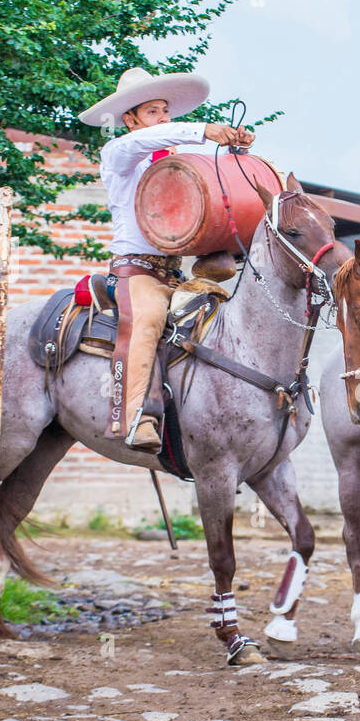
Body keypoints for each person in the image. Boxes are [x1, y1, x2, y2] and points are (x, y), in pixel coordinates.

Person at [78, 67, 253, 452]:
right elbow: (156, 138)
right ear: (130, 119)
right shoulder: (118, 153)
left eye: (165, 111)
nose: (164, 119)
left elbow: (208, 173)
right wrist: (205, 130)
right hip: (136, 271)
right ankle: (137, 416)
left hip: (177, 272)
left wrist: (232, 147)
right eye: (153, 112)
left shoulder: (178, 159)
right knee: (148, 321)